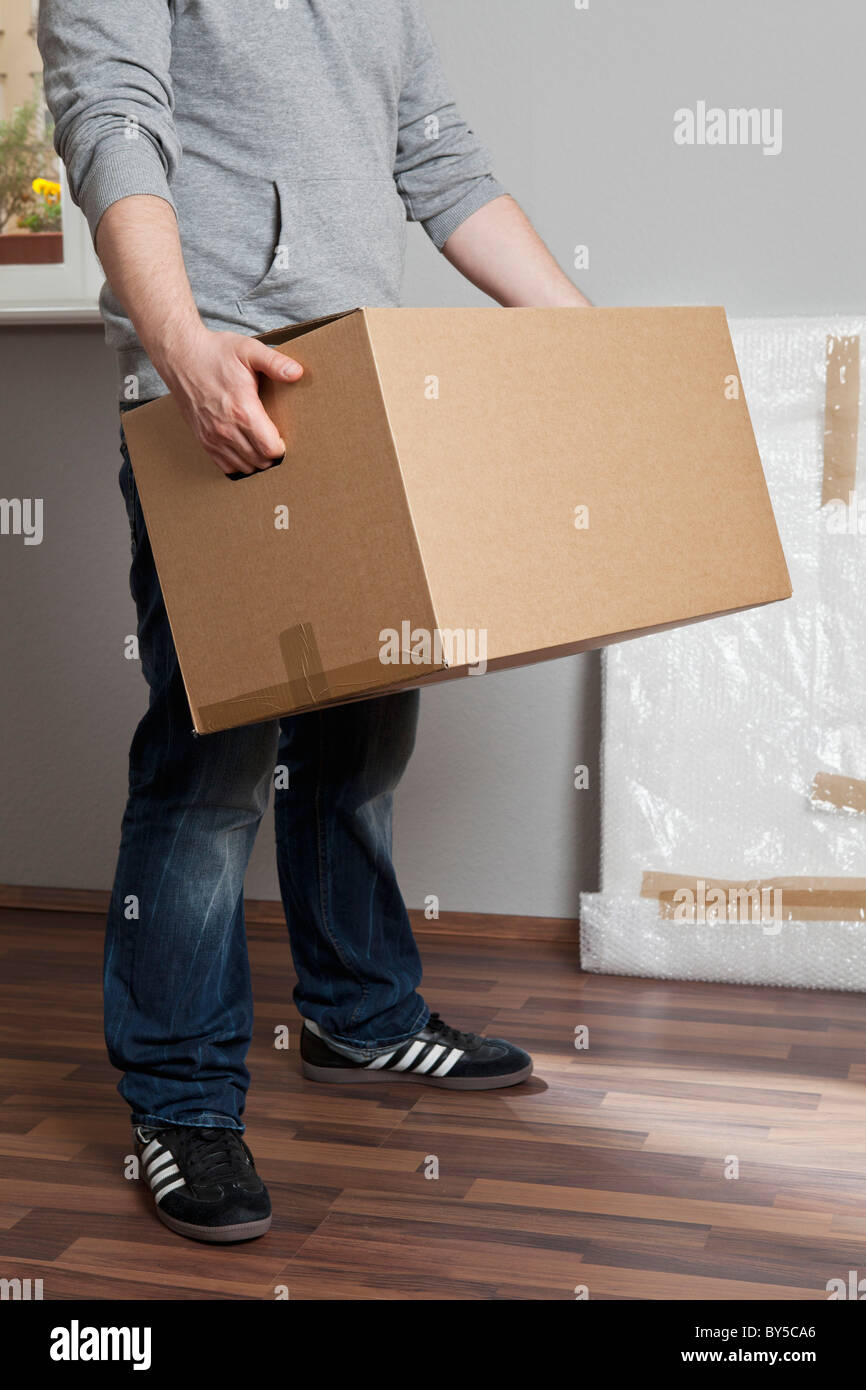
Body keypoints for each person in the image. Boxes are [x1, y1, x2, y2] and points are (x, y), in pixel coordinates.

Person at [38, 0, 591, 1245]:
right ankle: (180, 1104)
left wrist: (583, 342)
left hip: (353, 384)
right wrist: (178, 348)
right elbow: (111, 116)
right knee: (215, 760)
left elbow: (437, 156)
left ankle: (361, 1012)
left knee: (358, 730)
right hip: (215, 383)